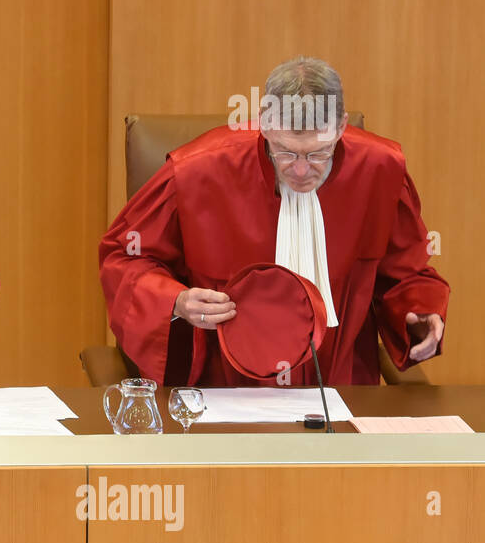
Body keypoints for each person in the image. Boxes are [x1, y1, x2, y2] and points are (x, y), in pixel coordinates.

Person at [99, 56, 449, 386]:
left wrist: (418, 311)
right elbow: (123, 257)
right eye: (285, 151)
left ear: (341, 127)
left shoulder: (379, 170)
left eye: (318, 153)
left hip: (338, 385)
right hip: (225, 389)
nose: (300, 170)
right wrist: (175, 300)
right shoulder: (196, 171)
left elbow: (405, 273)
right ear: (264, 124)